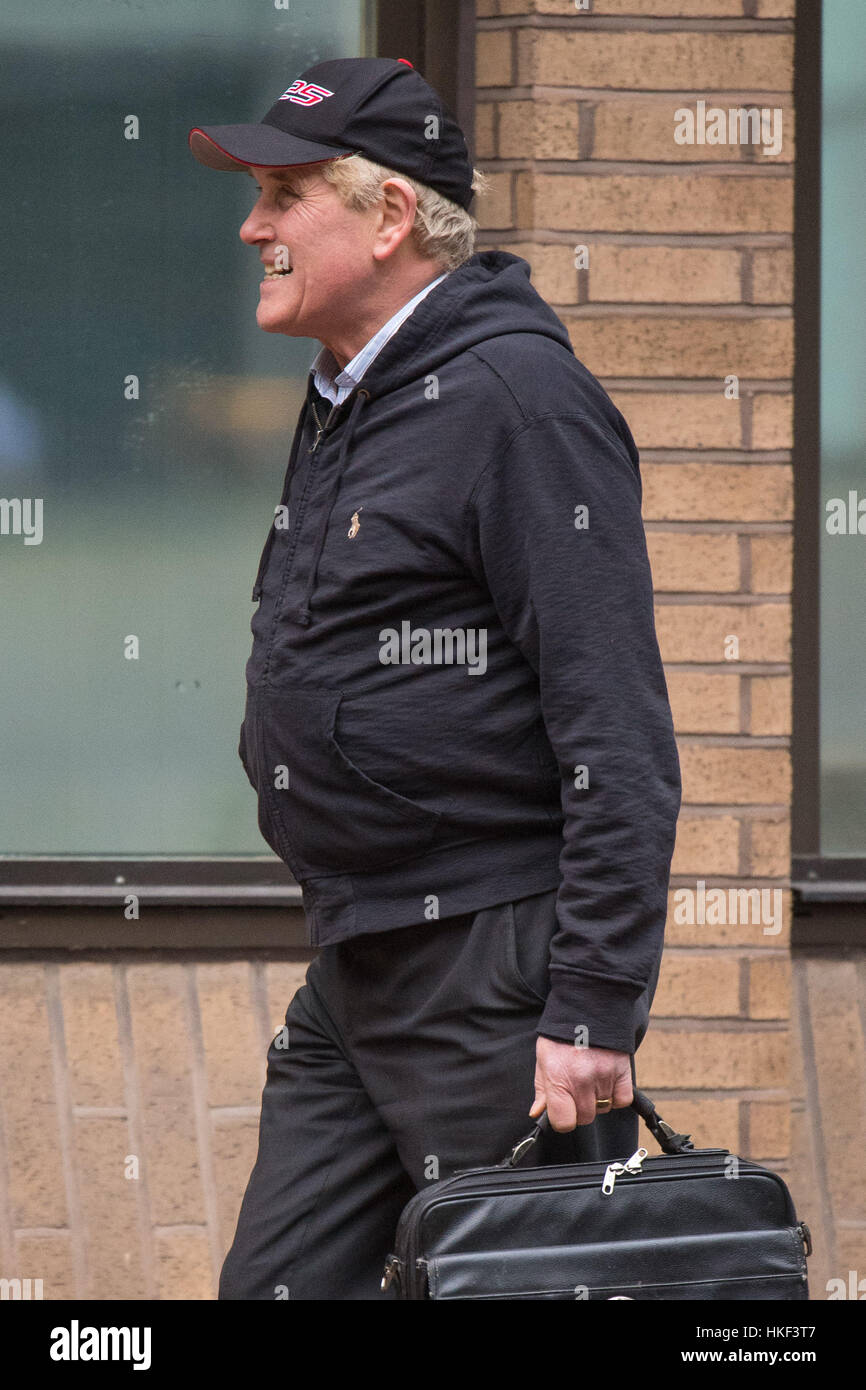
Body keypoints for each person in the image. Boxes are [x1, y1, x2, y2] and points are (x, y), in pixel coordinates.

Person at [188, 55, 681, 1301]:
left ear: (389, 214)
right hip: (361, 960)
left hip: (487, 973)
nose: (251, 227)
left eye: (282, 194)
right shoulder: (352, 398)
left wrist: (589, 1009)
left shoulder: (516, 400)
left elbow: (614, 724)